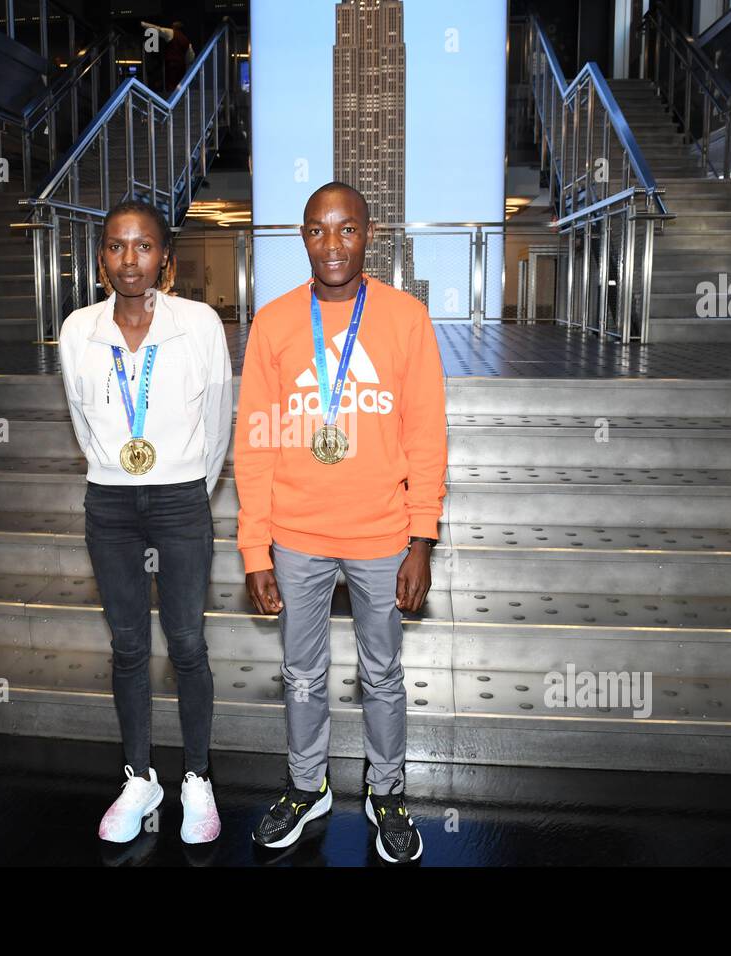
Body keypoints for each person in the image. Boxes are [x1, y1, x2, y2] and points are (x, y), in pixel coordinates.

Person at [233, 182, 448, 863]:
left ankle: (386, 792)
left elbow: (426, 437)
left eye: (346, 230)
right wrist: (254, 547)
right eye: (319, 231)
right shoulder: (272, 324)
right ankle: (307, 785)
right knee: (302, 671)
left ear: (369, 233)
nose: (333, 244)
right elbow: (255, 443)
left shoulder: (406, 319)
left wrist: (422, 539)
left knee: (382, 674)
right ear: (303, 237)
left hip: (383, 534)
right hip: (296, 534)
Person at [58, 199, 233, 845]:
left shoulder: (199, 323)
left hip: (182, 499)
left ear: (166, 258)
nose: (129, 259)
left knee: (187, 644)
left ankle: (197, 778)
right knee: (129, 647)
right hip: (109, 504)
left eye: (143, 247)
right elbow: (81, 418)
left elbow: (218, 421)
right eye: (115, 246)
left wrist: (190, 486)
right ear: (102, 256)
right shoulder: (79, 328)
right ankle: (139, 777)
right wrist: (116, 471)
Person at [141, 19, 194, 94]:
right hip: (182, 66)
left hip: (171, 64)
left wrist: (144, 24)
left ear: (174, 27)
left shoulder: (171, 32)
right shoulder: (186, 40)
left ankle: (171, 102)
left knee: (171, 86)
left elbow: (158, 29)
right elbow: (190, 56)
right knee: (179, 85)